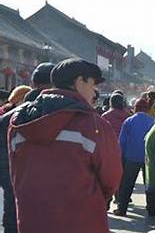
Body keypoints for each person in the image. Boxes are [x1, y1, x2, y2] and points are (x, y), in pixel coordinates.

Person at [7, 58, 122, 233]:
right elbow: (111, 178)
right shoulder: (94, 125)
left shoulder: (19, 122)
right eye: (92, 85)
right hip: (81, 221)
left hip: (32, 220)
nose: (94, 92)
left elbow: (15, 173)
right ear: (79, 81)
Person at [0, 63, 54, 233]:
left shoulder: (8, 118)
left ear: (32, 83)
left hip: (14, 190)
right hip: (52, 197)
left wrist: (9, 184)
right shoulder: (67, 115)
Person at [113, 99, 155, 216]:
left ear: (135, 108)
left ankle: (122, 209)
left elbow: (122, 142)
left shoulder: (129, 121)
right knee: (149, 184)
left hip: (131, 157)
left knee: (127, 183)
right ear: (147, 109)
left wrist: (121, 158)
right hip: (148, 158)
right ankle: (151, 209)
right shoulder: (152, 121)